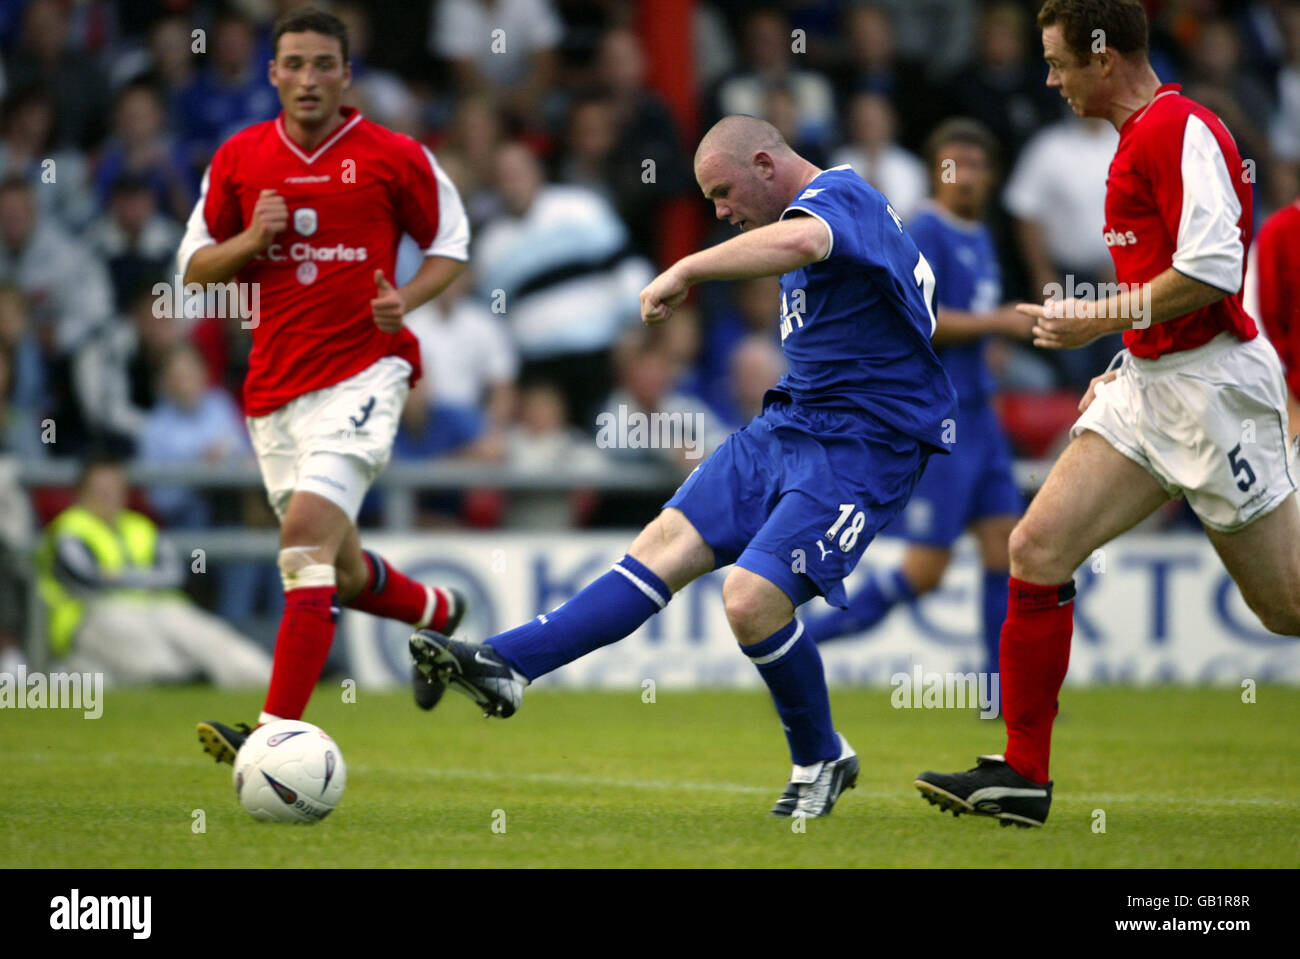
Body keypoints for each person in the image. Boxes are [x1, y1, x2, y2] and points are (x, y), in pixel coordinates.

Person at [409, 114, 958, 819]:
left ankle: (821, 754)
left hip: (865, 443)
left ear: (766, 163)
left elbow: (800, 238)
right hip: (793, 420)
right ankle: (509, 664)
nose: (722, 213)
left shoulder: (838, 197)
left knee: (751, 598)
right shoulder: (818, 221)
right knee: (658, 546)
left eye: (723, 193)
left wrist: (687, 267)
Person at [916, 0, 1300, 829]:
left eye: (1058, 62)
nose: (1050, 80)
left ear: (1104, 57)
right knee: (1036, 545)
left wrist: (1098, 317)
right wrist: (1127, 355)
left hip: (1216, 395)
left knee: (1286, 606)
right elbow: (1173, 280)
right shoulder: (1138, 137)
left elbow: (1211, 268)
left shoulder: (1180, 127)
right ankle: (1023, 774)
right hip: (1153, 381)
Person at [181, 8, 473, 763]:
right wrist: (251, 240)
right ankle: (438, 610)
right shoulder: (241, 158)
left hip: (367, 372)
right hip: (274, 391)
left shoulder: (393, 154)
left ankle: (274, 732)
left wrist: (402, 302)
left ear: (346, 74)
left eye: (322, 65)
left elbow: (451, 244)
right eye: (294, 65)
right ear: (272, 73)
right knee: (337, 568)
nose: (308, 79)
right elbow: (193, 268)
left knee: (302, 543)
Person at [805, 119, 1034, 685]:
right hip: (943, 422)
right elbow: (919, 321)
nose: (965, 178)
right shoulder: (925, 231)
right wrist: (995, 322)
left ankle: (1000, 695)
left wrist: (990, 345)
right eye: (953, 166)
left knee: (1006, 552)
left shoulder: (980, 235)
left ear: (992, 176)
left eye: (976, 166)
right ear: (935, 172)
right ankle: (801, 643)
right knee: (925, 571)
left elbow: (966, 324)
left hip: (984, 418)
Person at [35, 455, 270, 687]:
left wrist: (119, 577)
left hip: (157, 606)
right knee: (130, 634)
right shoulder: (69, 529)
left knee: (205, 632)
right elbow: (87, 579)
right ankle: (178, 680)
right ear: (82, 493)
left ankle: (263, 678)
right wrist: (144, 579)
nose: (109, 496)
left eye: (115, 489)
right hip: (92, 614)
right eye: (100, 490)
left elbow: (174, 574)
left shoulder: (140, 526)